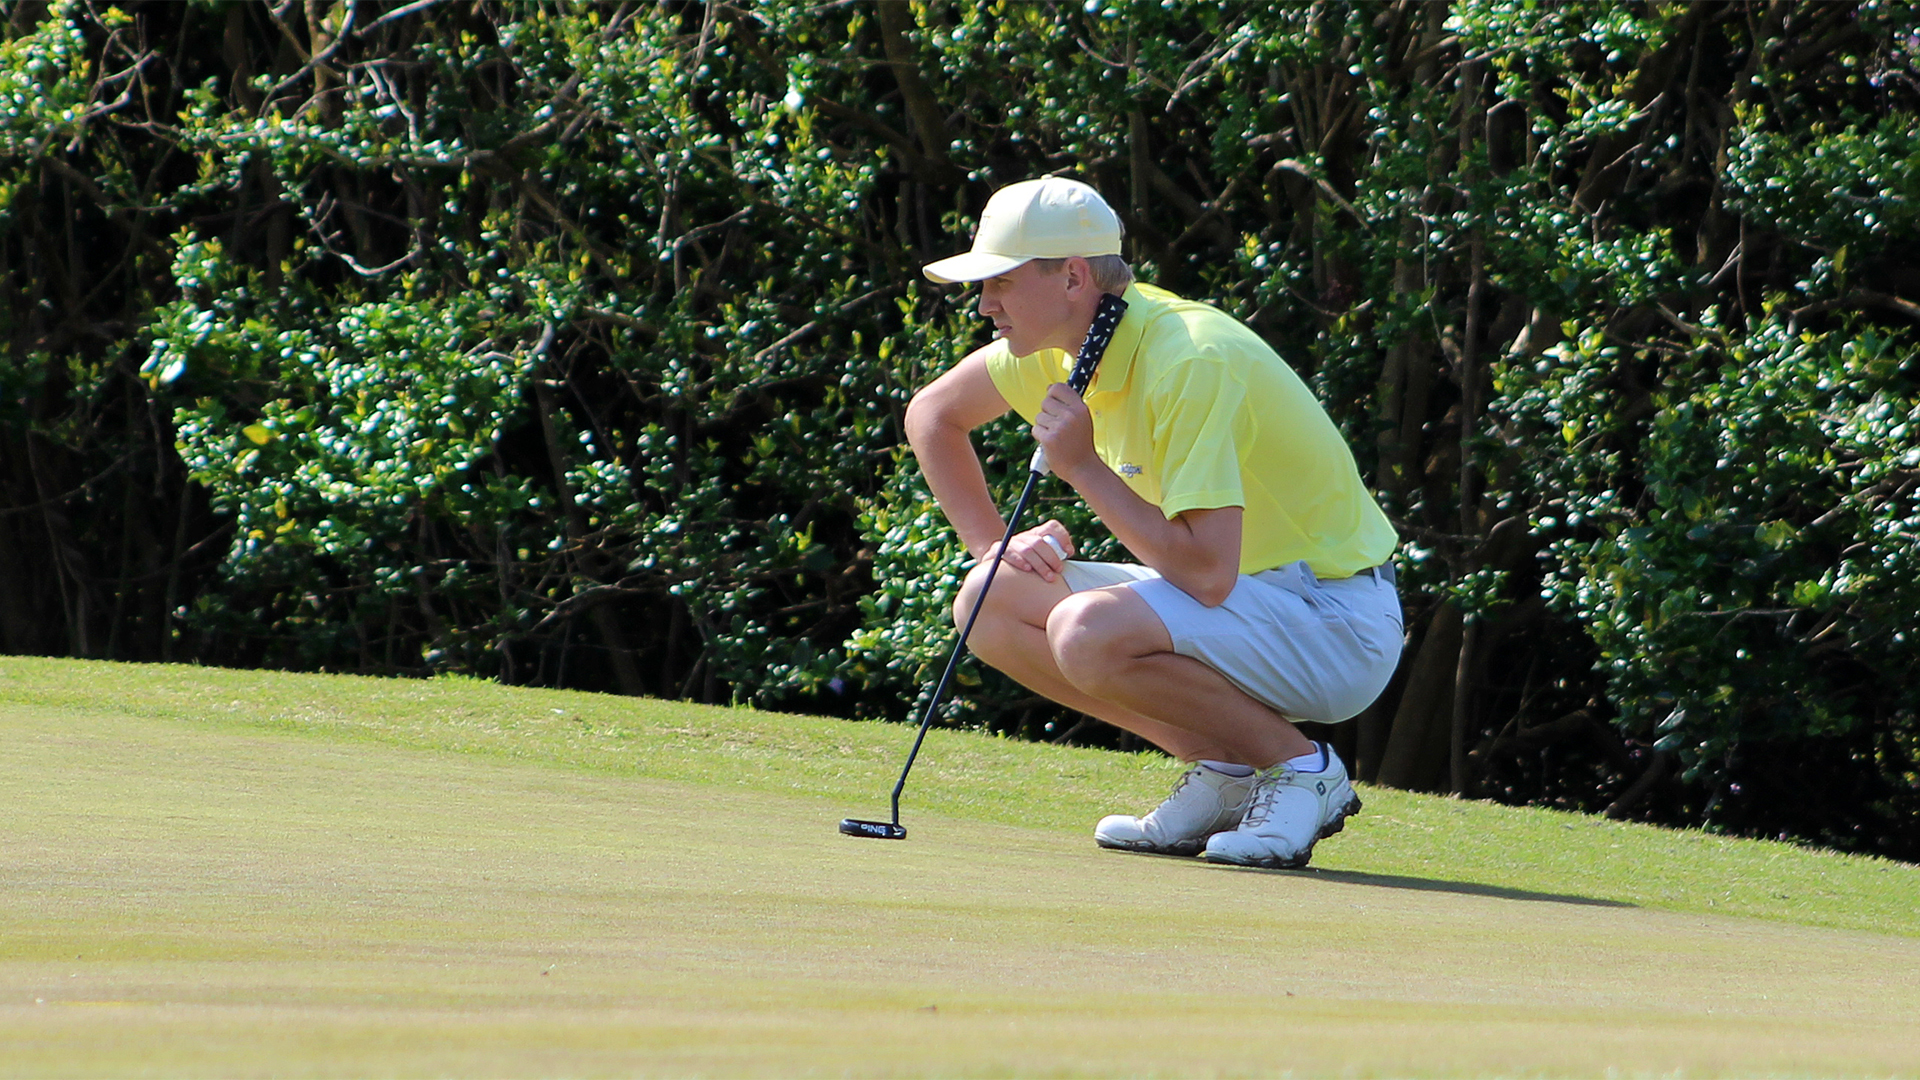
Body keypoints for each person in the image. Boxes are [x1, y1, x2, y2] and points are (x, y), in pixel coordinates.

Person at [905, 176, 1403, 868]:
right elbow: (933, 416)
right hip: (1250, 605)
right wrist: (994, 544)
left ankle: (1301, 769)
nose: (985, 304)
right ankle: (1225, 772)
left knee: (1087, 632)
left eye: (1002, 283)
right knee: (989, 598)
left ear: (1074, 276)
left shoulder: (1187, 357)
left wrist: (1081, 467)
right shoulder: (1062, 342)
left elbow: (1204, 572)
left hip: (1334, 619)